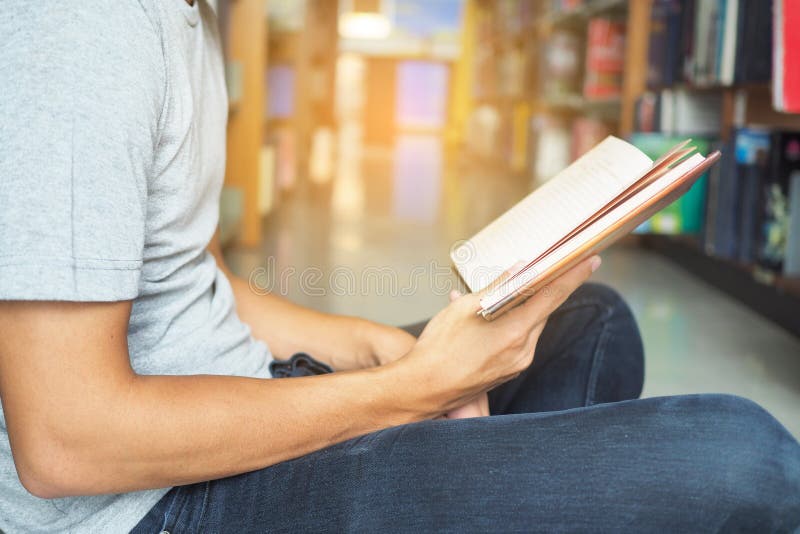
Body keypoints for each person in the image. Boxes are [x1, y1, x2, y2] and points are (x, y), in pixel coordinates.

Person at [0, 1, 797, 532]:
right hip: (149, 502)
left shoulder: (192, 16)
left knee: (592, 324)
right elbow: (65, 442)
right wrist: (405, 392)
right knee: (747, 458)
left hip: (220, 392)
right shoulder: (86, 27)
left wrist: (368, 344)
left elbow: (190, 271)